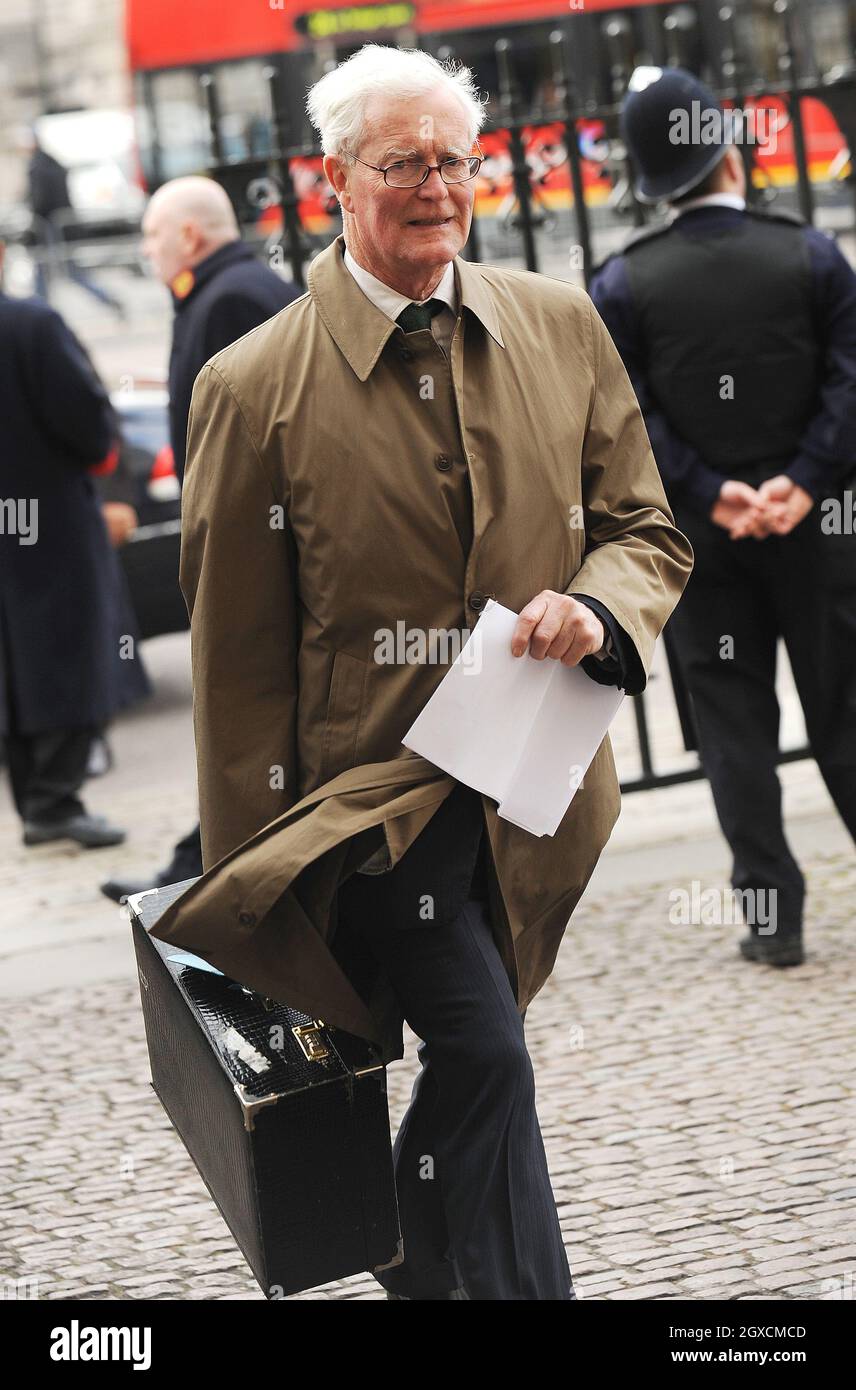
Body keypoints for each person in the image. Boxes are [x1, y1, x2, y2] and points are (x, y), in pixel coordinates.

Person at [161, 44, 692, 1301]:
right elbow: (235, 668)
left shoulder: (561, 323)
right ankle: (434, 1259)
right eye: (405, 162)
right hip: (367, 818)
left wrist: (598, 610)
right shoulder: (251, 387)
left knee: (486, 1065)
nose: (439, 187)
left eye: (456, 160)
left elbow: (644, 527)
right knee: (490, 1058)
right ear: (333, 176)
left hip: (529, 797)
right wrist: (257, 889)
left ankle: (435, 1261)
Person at [590, 67, 856, 969]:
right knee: (845, 711)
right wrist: (804, 479)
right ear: (730, 154)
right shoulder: (812, 256)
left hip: (703, 544)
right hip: (819, 532)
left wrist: (712, 491)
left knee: (734, 727)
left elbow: (626, 418)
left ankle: (772, 922)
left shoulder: (622, 284)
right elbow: (848, 386)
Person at [100, 177, 300, 902]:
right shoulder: (213, 292)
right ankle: (204, 861)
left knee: (246, 716)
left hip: (258, 549)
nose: (147, 251)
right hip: (240, 545)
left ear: (188, 235)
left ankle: (204, 868)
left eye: (153, 236)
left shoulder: (234, 296)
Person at [0, 237, 130, 846]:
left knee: (15, 661)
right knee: (67, 650)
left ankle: (34, 802)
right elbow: (86, 421)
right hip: (49, 520)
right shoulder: (30, 323)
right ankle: (55, 800)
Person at [23, 129, 125, 316]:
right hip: (55, 228)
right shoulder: (50, 163)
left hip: (48, 229)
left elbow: (40, 200)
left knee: (48, 274)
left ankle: (38, 315)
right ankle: (108, 301)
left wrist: (34, 219)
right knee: (59, 274)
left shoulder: (38, 166)